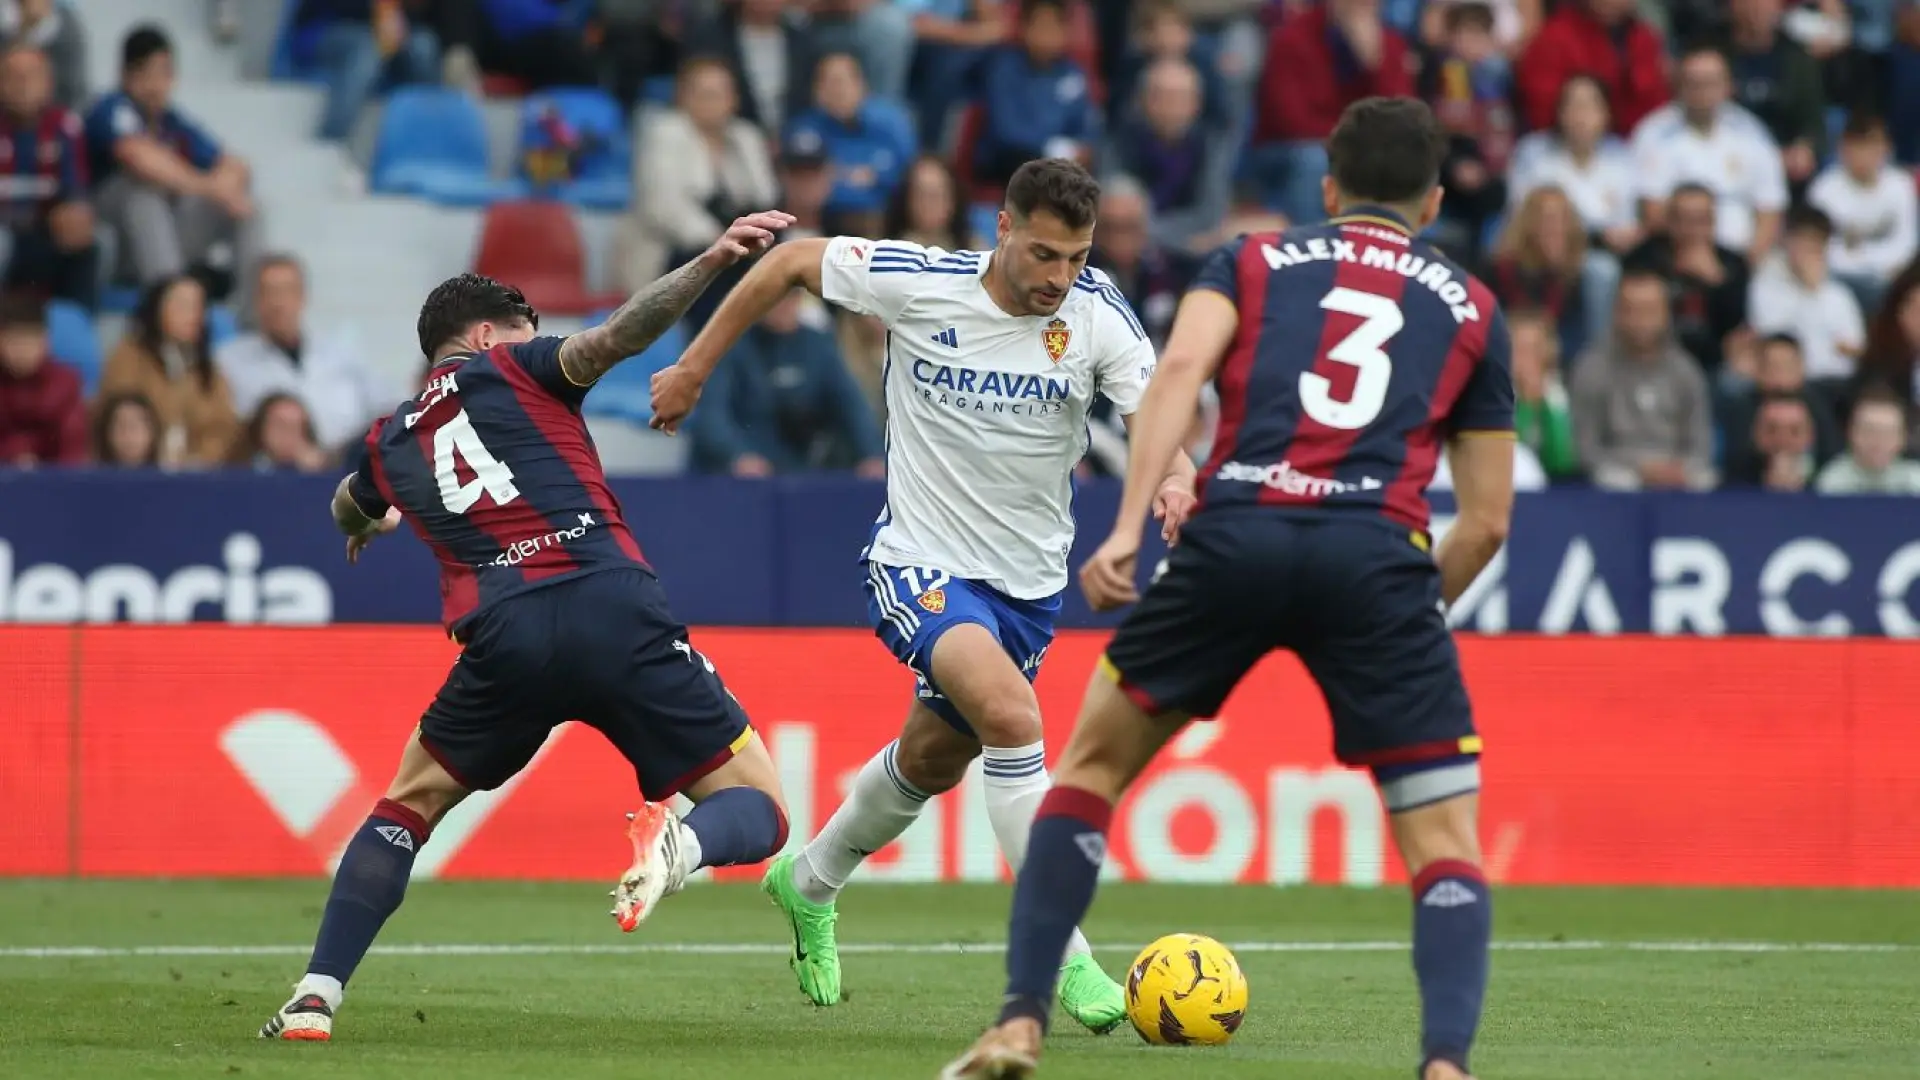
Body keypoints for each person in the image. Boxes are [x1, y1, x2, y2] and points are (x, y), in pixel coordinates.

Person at [938, 97, 1514, 1080]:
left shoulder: (1250, 261)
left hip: (1235, 535)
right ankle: (1447, 1066)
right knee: (1444, 843)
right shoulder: (1472, 307)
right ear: (1432, 200)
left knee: (1087, 773)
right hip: (1376, 553)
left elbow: (1178, 378)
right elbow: (1489, 521)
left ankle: (1020, 1023)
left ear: (1327, 189)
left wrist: (1126, 530)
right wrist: (1406, 616)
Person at [648, 159, 1197, 1033]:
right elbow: (790, 263)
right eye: (1047, 254)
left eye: (1077, 256)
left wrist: (1175, 474)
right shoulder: (919, 282)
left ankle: (810, 881)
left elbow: (1156, 410)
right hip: (921, 563)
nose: (1062, 277)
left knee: (934, 759)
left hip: (1027, 588)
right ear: (1004, 230)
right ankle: (1069, 955)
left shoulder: (1096, 313)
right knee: (1015, 720)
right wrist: (694, 368)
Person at [259, 209, 799, 1043]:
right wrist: (707, 263)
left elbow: (346, 500)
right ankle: (679, 847)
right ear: (485, 335)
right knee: (759, 806)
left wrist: (363, 525)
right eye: (523, 325)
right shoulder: (514, 369)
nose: (535, 335)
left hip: (504, 634)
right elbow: (619, 335)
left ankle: (315, 996)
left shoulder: (390, 439)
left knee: (408, 805)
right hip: (608, 600)